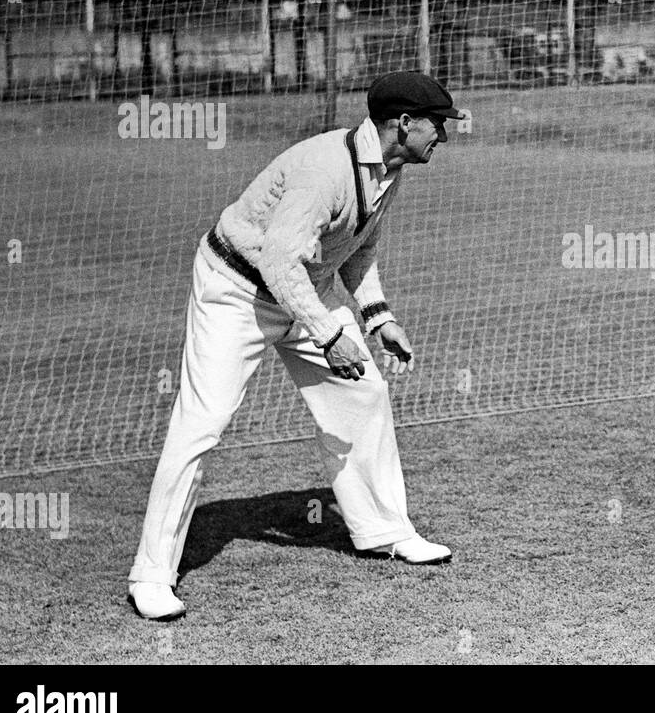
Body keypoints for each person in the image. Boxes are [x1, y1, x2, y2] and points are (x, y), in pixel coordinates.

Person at [128, 71, 464, 620]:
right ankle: (151, 574)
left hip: (306, 288)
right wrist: (330, 335)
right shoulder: (321, 171)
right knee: (201, 424)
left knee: (365, 396)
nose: (443, 138)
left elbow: (357, 246)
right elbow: (278, 263)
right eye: (438, 126)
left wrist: (378, 319)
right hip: (235, 292)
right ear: (404, 124)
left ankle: (382, 529)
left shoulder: (390, 166)